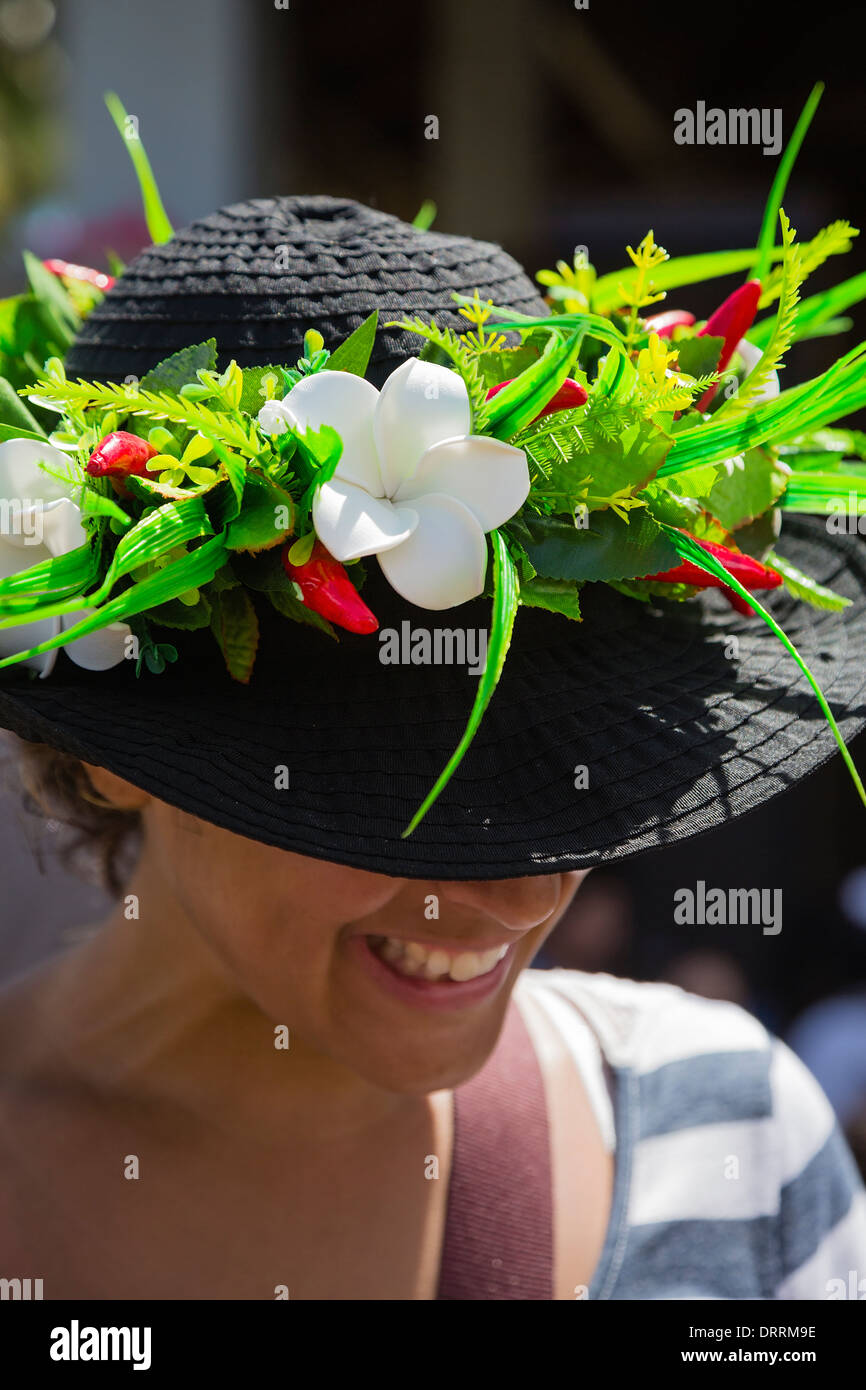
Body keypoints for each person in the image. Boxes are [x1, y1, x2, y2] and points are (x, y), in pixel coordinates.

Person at [0, 196, 864, 1300]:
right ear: (113, 755)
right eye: (402, 801)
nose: (516, 899)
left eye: (561, 779)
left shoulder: (731, 1138)